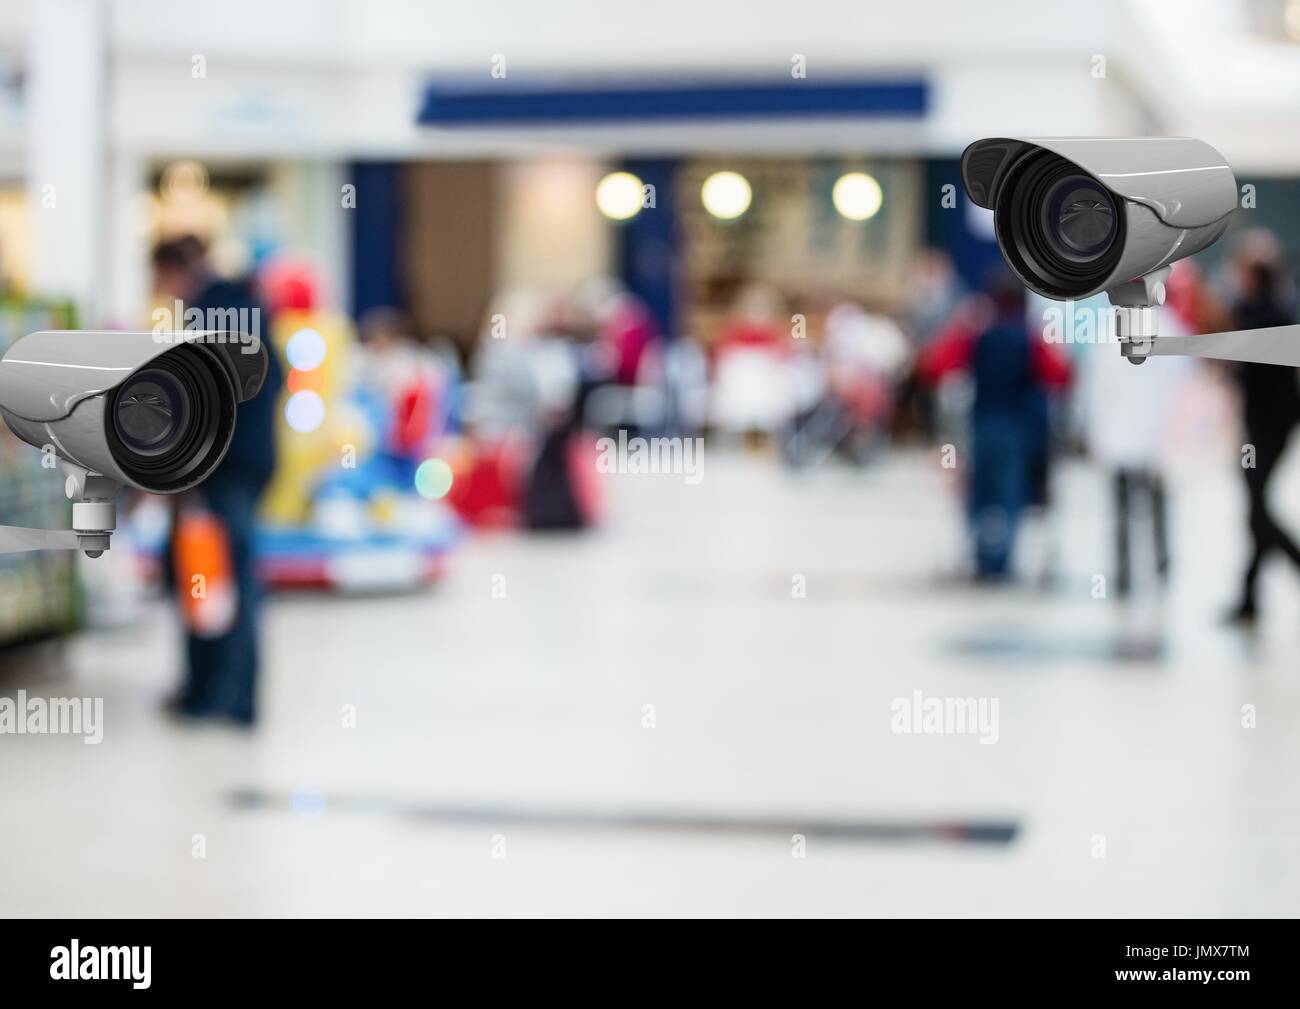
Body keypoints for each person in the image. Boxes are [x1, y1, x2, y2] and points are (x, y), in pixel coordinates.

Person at [152, 235, 282, 724]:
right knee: (211, 576)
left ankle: (223, 696)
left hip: (221, 470)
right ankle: (211, 691)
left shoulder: (214, 310)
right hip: (242, 465)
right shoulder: (243, 304)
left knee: (218, 579)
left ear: (176, 268)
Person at [918, 270, 1071, 579]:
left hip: (982, 427)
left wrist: (962, 324)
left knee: (980, 495)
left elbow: (933, 366)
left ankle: (983, 559)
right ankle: (1003, 561)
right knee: (1011, 495)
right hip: (1020, 431)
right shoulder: (1031, 338)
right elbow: (1061, 375)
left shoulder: (976, 335)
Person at [1225, 232, 1300, 624]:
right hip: (1264, 428)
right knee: (1256, 510)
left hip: (1268, 430)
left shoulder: (1265, 316)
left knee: (1257, 512)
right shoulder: (1261, 312)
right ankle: (1249, 599)